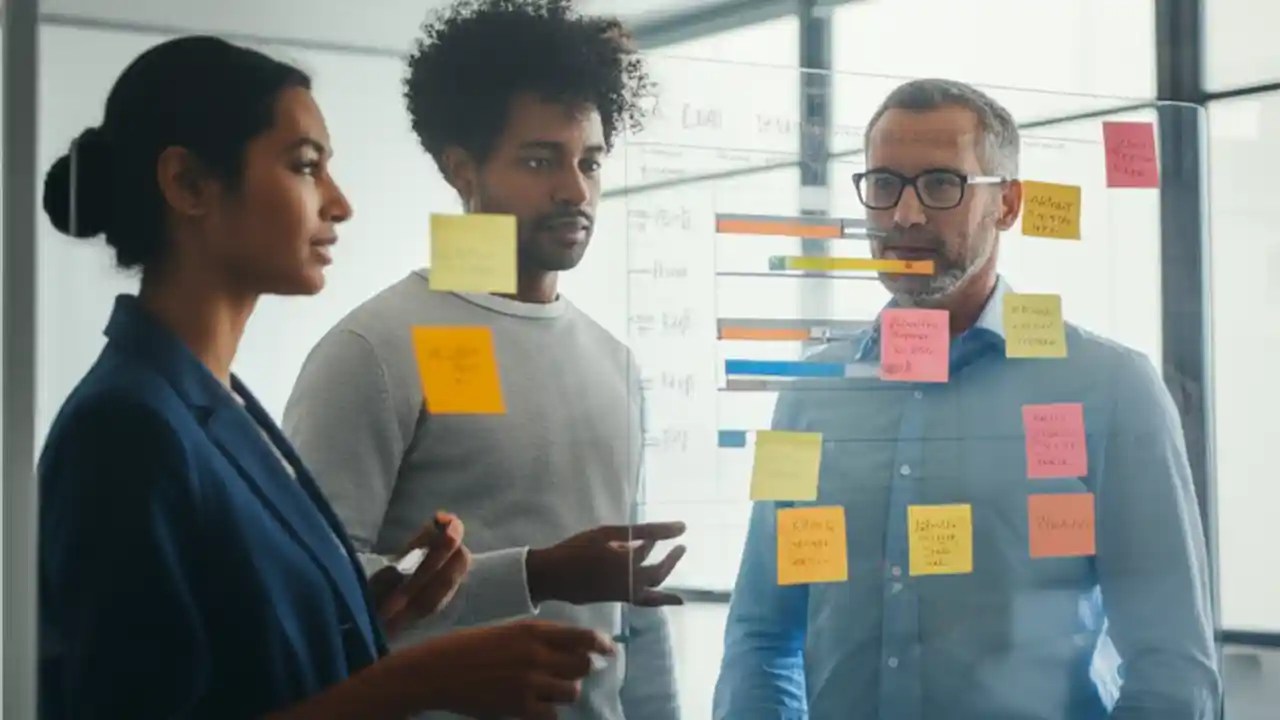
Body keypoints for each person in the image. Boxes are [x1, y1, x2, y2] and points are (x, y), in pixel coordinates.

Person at [38, 35, 614, 720]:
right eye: (305, 166)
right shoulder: (127, 427)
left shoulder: (220, 406)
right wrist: (423, 681)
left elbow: (247, 656)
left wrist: (381, 603)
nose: (339, 204)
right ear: (189, 184)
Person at [713, 78, 1221, 720]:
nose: (905, 215)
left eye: (941, 185)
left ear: (1007, 205)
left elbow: (1172, 664)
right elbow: (762, 634)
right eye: (885, 183)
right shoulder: (809, 395)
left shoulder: (1112, 389)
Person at [282, 1, 686, 718]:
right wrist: (534, 573)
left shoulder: (614, 362)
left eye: (589, 161)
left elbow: (635, 608)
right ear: (461, 171)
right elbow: (314, 593)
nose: (575, 190)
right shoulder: (374, 352)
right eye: (539, 160)